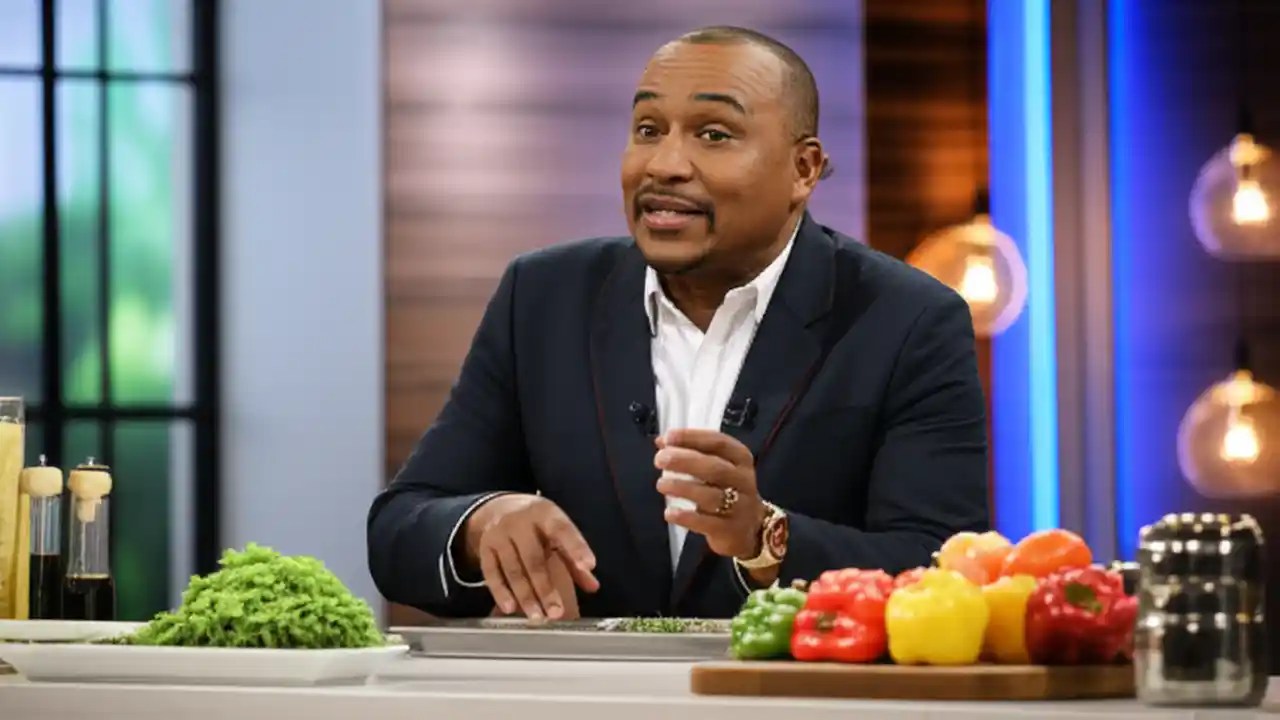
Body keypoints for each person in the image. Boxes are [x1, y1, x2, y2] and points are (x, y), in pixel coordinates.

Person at [367, 26, 989, 621]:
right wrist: (480, 525)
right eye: (647, 129)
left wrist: (765, 538)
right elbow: (399, 527)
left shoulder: (907, 319)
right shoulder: (543, 298)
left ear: (803, 170)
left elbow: (941, 567)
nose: (663, 164)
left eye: (714, 134)